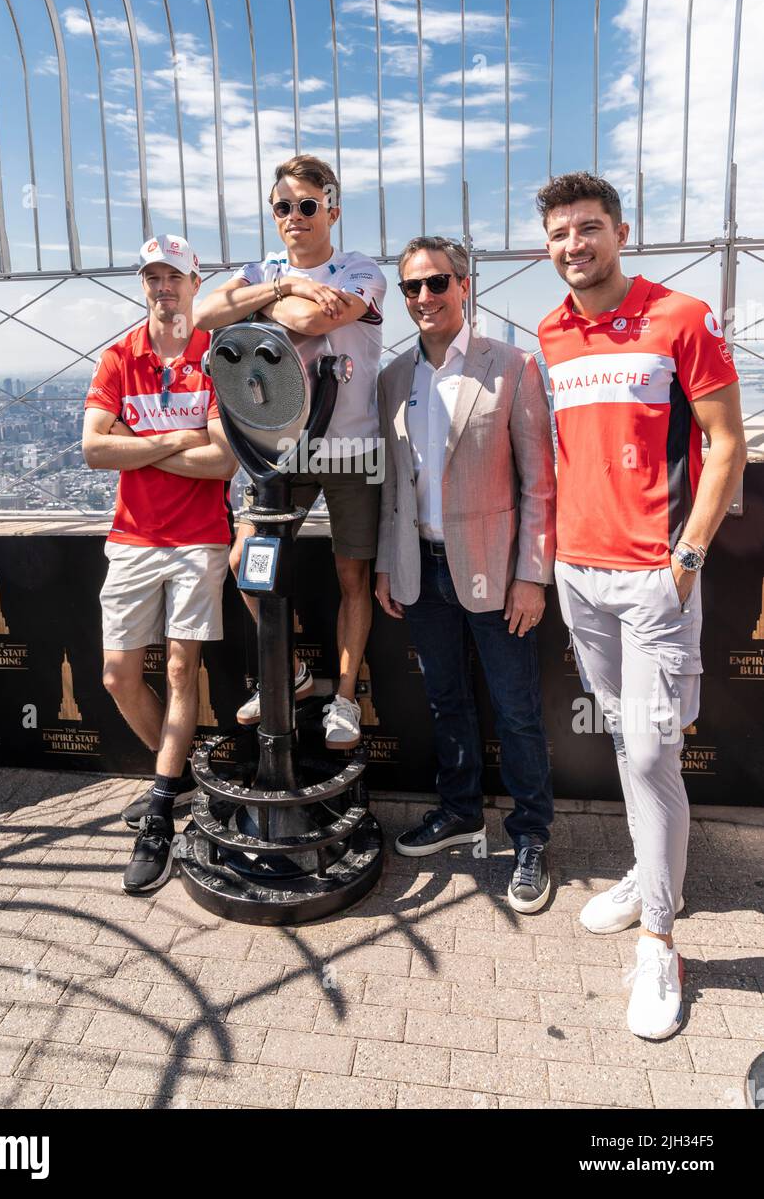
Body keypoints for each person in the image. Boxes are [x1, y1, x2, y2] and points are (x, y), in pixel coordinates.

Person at [537, 172, 747, 1037]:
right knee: (629, 740)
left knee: (654, 752)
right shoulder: (551, 332)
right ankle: (649, 873)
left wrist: (685, 563)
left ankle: (661, 940)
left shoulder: (682, 318)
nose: (573, 245)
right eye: (559, 234)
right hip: (578, 576)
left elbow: (727, 444)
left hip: (655, 581)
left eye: (589, 228)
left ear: (623, 231)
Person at [375, 236, 556, 912]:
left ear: (465, 284)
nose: (424, 297)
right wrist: (387, 570)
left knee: (517, 713)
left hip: (495, 572)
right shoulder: (395, 377)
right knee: (446, 704)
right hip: (420, 570)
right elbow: (395, 485)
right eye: (412, 288)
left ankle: (532, 835)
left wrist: (533, 575)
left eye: (437, 283)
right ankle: (460, 812)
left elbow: (541, 483)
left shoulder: (511, 367)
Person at [194, 155, 386, 751]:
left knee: (351, 573)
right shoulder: (263, 269)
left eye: (308, 204)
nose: (295, 216)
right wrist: (285, 284)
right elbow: (201, 314)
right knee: (244, 561)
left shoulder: (360, 269)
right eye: (283, 206)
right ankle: (289, 672)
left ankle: (346, 699)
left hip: (352, 443)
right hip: (281, 444)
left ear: (332, 207)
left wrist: (259, 301)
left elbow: (308, 320)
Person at [82, 234, 237, 894]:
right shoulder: (120, 355)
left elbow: (224, 460)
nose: (163, 288)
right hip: (133, 537)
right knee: (120, 676)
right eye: (153, 277)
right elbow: (92, 449)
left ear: (195, 284)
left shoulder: (218, 356)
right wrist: (180, 439)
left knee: (180, 669)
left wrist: (139, 443)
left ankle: (159, 813)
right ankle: (182, 772)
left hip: (201, 536)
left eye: (174, 277)